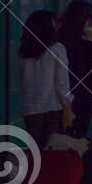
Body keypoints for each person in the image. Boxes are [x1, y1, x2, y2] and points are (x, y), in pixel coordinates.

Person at [19, 10, 73, 143]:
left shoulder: (23, 51)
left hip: (30, 109)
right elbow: (61, 83)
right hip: (52, 109)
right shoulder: (57, 48)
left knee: (36, 149)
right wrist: (67, 108)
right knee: (52, 149)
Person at [58, 0, 92, 140]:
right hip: (82, 101)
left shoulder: (59, 44)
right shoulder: (91, 47)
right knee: (77, 141)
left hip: (58, 101)